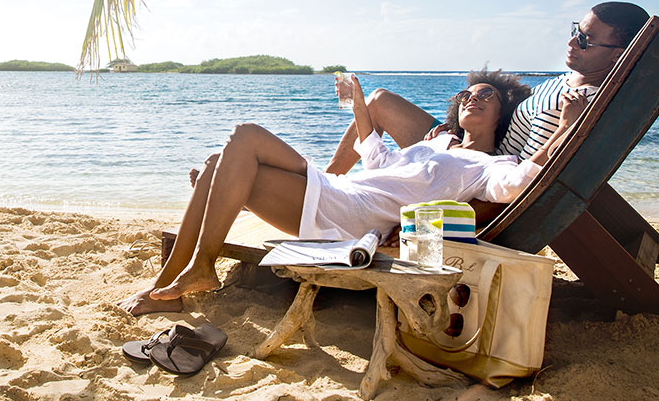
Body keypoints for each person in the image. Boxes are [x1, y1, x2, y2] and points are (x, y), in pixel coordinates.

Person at [119, 70, 585, 316]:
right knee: (223, 164)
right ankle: (174, 280)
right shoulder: (433, 143)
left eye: (487, 97)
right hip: (344, 192)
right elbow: (377, 160)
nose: (473, 99)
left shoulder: (488, 165)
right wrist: (360, 104)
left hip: (349, 220)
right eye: (467, 95)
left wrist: (564, 128)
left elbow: (521, 182)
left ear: (500, 117)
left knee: (243, 138)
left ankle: (195, 268)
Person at [323, 2, 650, 174]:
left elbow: (528, 168)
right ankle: (332, 178)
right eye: (575, 30)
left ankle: (330, 183)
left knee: (376, 104)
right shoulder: (566, 81)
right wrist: (453, 132)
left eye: (584, 39)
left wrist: (458, 151)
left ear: (619, 54)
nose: (570, 42)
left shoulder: (579, 102)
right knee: (378, 100)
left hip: (477, 167)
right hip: (464, 146)